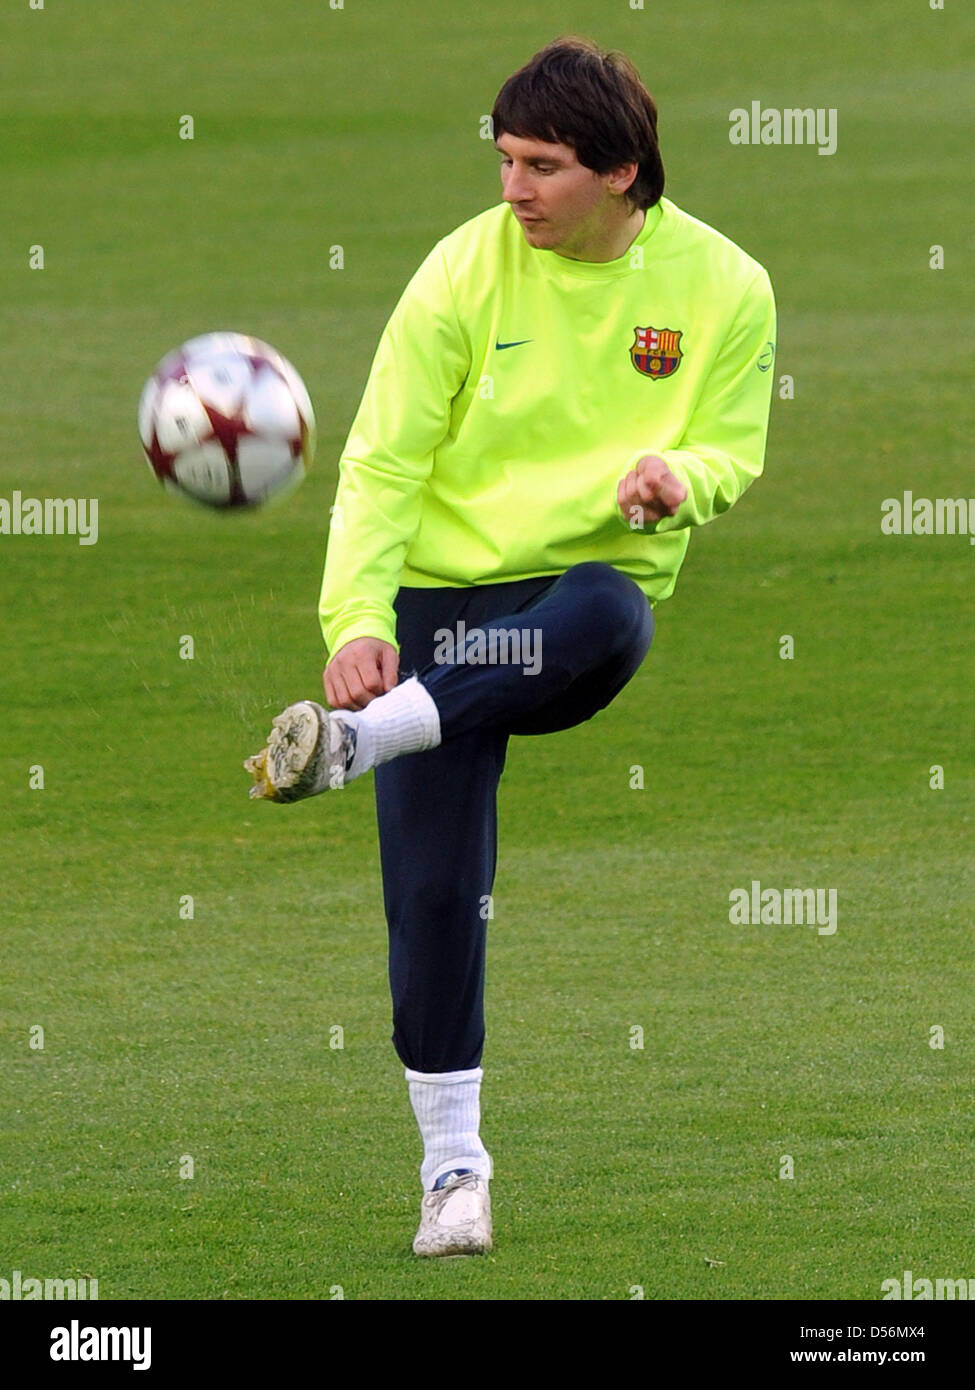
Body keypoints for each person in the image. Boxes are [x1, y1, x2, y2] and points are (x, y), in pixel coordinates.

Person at [245, 34, 776, 1258]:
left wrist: (675, 478)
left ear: (624, 172)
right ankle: (454, 1178)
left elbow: (733, 450)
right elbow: (382, 461)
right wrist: (362, 622)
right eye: (504, 159)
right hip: (441, 606)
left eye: (542, 165)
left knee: (610, 608)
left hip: (578, 608)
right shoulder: (461, 272)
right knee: (434, 893)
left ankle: (359, 746)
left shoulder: (726, 286)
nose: (514, 190)